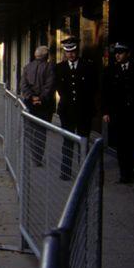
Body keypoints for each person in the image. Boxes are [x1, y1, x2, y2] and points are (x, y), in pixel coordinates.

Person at [102, 42, 134, 184]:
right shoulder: (110, 70)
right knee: (121, 144)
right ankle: (124, 173)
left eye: (121, 52)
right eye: (116, 52)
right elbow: (106, 92)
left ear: (128, 53)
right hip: (118, 113)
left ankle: (131, 168)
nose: (117, 55)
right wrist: (106, 111)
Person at [53, 36, 97, 179]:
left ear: (77, 51)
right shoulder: (59, 68)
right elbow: (59, 87)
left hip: (84, 110)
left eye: (73, 51)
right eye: (68, 52)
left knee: (83, 141)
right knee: (68, 141)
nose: (71, 54)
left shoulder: (88, 66)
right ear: (65, 53)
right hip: (67, 111)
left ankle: (84, 172)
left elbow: (93, 88)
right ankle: (65, 171)